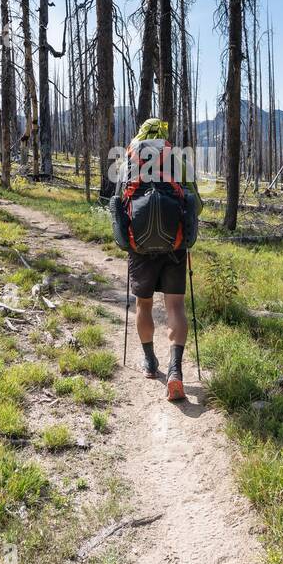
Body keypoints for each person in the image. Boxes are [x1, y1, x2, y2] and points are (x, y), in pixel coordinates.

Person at [110, 117, 201, 402]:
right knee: (175, 306)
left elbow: (118, 203)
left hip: (139, 248)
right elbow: (196, 204)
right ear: (164, 135)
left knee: (143, 304)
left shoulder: (127, 163)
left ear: (140, 135)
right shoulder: (177, 159)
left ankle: (150, 362)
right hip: (174, 244)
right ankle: (176, 371)